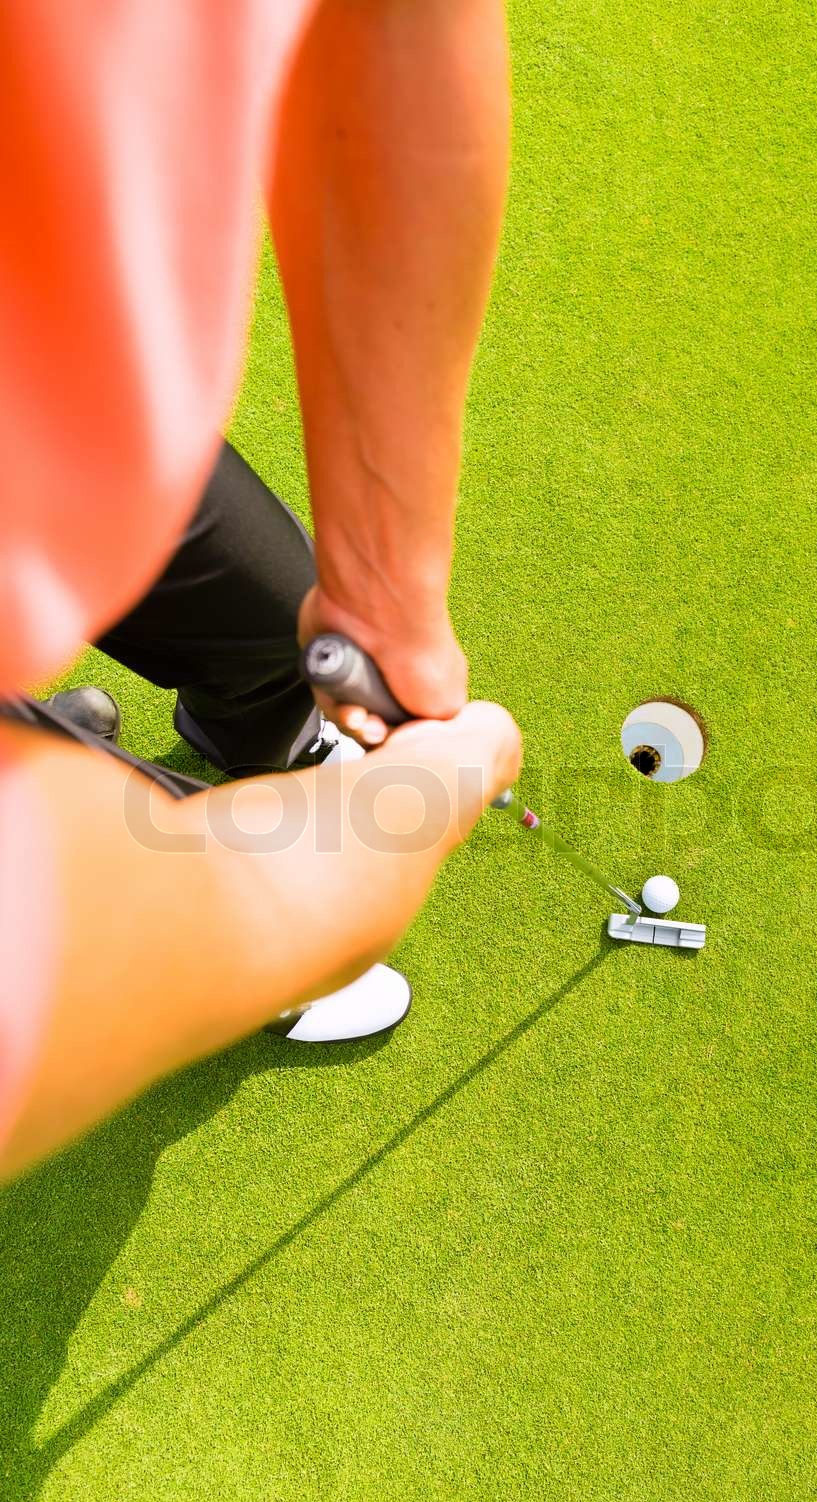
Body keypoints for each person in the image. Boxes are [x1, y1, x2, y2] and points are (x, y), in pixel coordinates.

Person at [0, 0, 522, 1178]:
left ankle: (214, 744)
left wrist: (385, 584)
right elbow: (60, 961)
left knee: (266, 621)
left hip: (49, 371)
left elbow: (390, 29)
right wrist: (324, 893)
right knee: (131, 874)